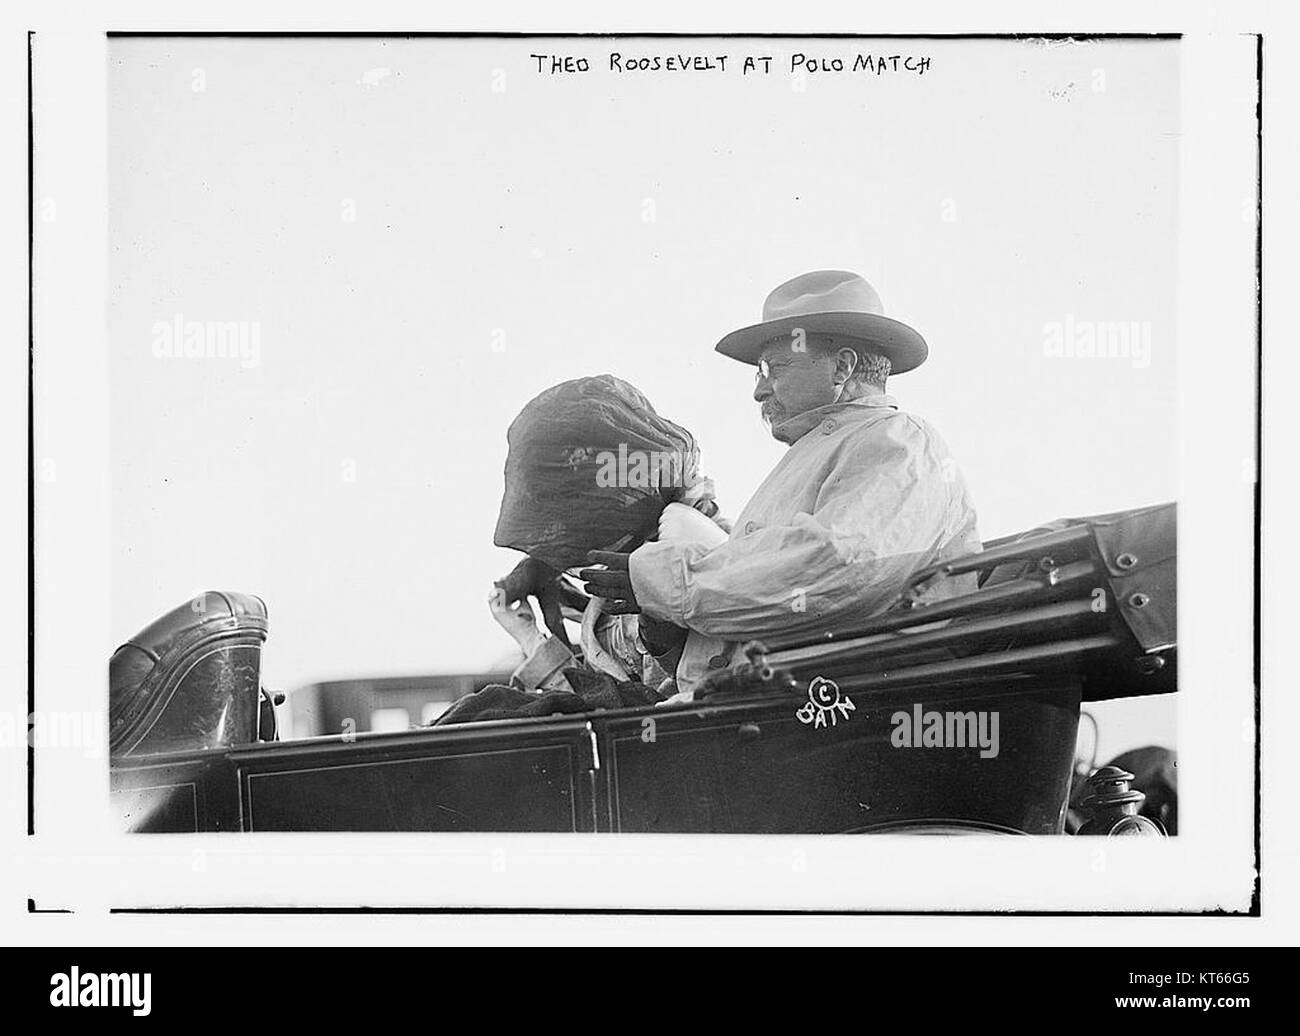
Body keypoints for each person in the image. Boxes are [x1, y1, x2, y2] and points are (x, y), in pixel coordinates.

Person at [579, 270, 982, 699]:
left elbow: (839, 567)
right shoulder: (823, 452)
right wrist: (662, 629)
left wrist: (669, 583)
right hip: (776, 707)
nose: (759, 390)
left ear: (842, 367)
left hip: (840, 712)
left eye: (775, 368)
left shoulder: (897, 440)